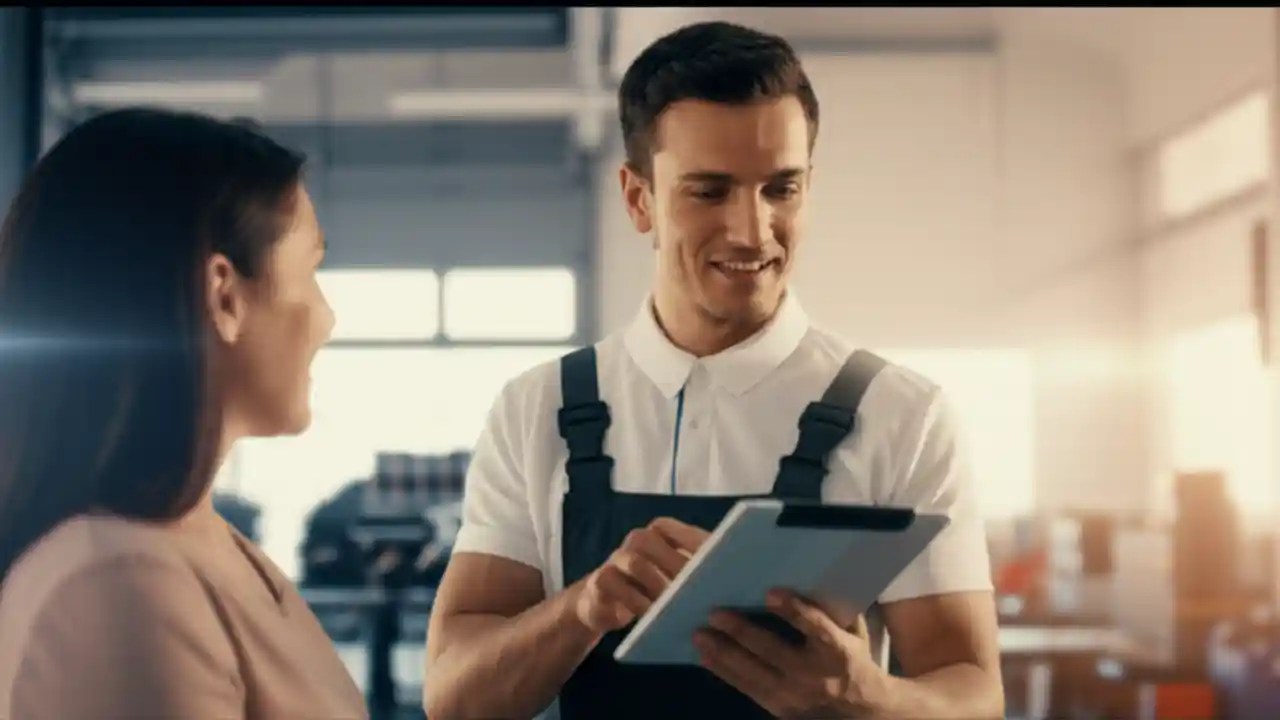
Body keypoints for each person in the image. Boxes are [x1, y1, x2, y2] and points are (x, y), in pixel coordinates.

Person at [424, 20, 1004, 720]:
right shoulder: (536, 410)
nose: (752, 231)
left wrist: (866, 700)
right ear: (639, 199)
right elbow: (454, 697)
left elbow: (973, 692)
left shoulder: (901, 416)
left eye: (781, 189)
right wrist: (583, 607)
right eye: (710, 191)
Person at [0, 108, 366, 719]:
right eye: (310, 272)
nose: (326, 320)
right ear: (222, 294)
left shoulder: (201, 549)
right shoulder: (117, 584)